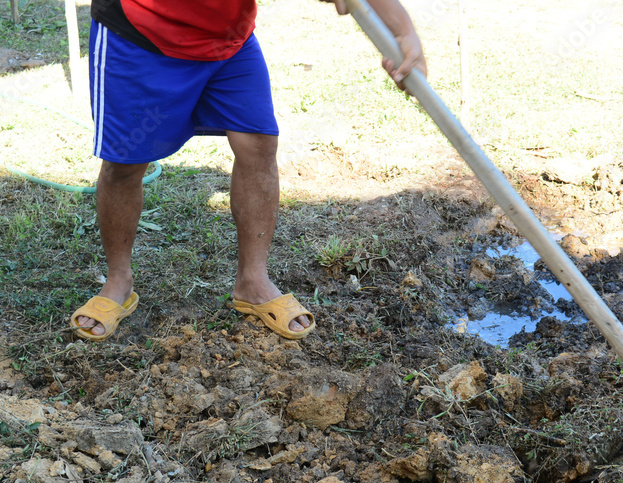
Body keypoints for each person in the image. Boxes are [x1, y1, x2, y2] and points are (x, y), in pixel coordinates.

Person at [70, 0, 427, 341]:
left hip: (227, 38)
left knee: (258, 145)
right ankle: (118, 281)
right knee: (125, 162)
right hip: (142, 33)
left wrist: (403, 32)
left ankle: (253, 282)